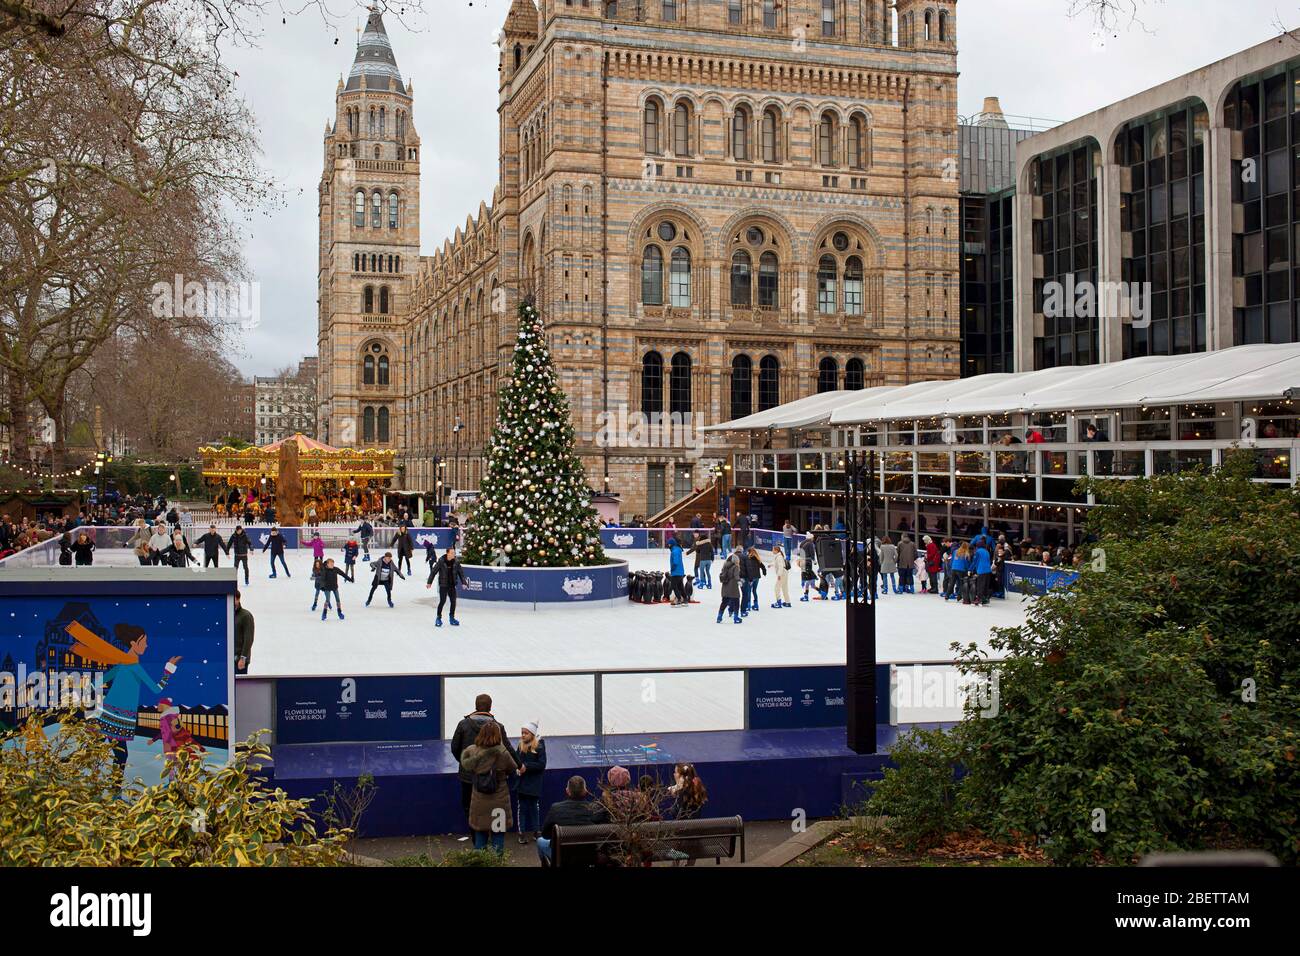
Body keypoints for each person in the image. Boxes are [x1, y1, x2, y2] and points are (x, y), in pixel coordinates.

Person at [450, 695, 520, 826]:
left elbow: (454, 747)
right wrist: (520, 765)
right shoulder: (498, 726)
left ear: (475, 706)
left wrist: (466, 763)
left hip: (468, 776)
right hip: (492, 776)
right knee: (492, 807)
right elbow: (508, 748)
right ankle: (491, 838)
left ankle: (477, 837)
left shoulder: (463, 725)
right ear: (490, 707)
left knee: (469, 807)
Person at [459, 721, 517, 856]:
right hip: (499, 801)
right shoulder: (503, 752)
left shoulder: (472, 751)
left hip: (479, 800)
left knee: (480, 835)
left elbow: (465, 763)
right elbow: (513, 768)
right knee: (498, 839)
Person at [537, 775, 609, 867]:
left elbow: (545, 835)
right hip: (588, 856)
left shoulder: (556, 808)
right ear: (585, 791)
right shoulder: (596, 809)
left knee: (540, 841)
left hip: (561, 856)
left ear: (567, 791)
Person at [515, 721, 547, 845]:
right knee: (522, 808)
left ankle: (536, 831)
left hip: (534, 783)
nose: (523, 735)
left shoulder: (539, 746)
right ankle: (521, 833)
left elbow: (541, 764)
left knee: (534, 807)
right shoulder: (520, 746)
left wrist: (525, 766)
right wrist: (517, 769)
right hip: (522, 783)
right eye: (522, 733)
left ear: (532, 734)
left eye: (526, 733)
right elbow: (516, 760)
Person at [426, 546, 468, 626]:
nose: (454, 554)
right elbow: (433, 572)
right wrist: (429, 582)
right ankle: (438, 618)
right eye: (452, 553)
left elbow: (461, 573)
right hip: (443, 585)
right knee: (442, 601)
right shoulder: (441, 561)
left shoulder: (456, 561)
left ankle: (451, 618)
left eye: (454, 553)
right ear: (447, 553)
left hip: (452, 585)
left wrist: (464, 582)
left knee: (453, 601)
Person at [716, 548, 743, 624]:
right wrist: (739, 581)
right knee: (736, 602)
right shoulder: (736, 567)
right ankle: (736, 617)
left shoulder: (725, 566)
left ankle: (719, 616)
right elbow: (736, 575)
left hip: (725, 587)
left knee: (724, 602)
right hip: (733, 587)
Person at [234, 590, 254, 674]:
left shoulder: (245, 616)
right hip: (227, 660)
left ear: (238, 599)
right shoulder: (226, 614)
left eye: (233, 599)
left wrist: (243, 658)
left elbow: (248, 638)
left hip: (239, 660)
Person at [666, 536, 688, 607]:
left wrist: (672, 568)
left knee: (674, 585)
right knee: (680, 586)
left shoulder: (675, 551)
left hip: (676, 572)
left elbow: (675, 562)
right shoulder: (677, 550)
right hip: (680, 572)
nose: (668, 546)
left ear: (672, 544)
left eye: (669, 544)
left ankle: (679, 599)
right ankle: (685, 599)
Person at [769, 544, 791, 608]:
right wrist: (770, 565)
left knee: (776, 588)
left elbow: (781, 566)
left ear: (776, 550)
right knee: (784, 588)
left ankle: (778, 602)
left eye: (773, 550)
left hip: (782, 574)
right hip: (785, 573)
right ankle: (787, 602)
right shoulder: (779, 556)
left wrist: (779, 575)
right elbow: (776, 564)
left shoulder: (779, 557)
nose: (772, 551)